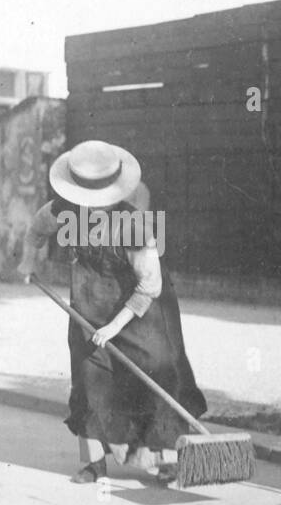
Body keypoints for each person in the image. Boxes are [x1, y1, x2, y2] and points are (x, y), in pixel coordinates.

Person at [17, 139, 208, 483]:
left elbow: (150, 286)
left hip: (142, 312)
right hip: (89, 308)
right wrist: (28, 262)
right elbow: (35, 231)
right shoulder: (62, 210)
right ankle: (93, 464)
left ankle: (165, 460)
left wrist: (115, 326)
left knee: (157, 374)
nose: (90, 208)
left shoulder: (135, 227)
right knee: (90, 381)